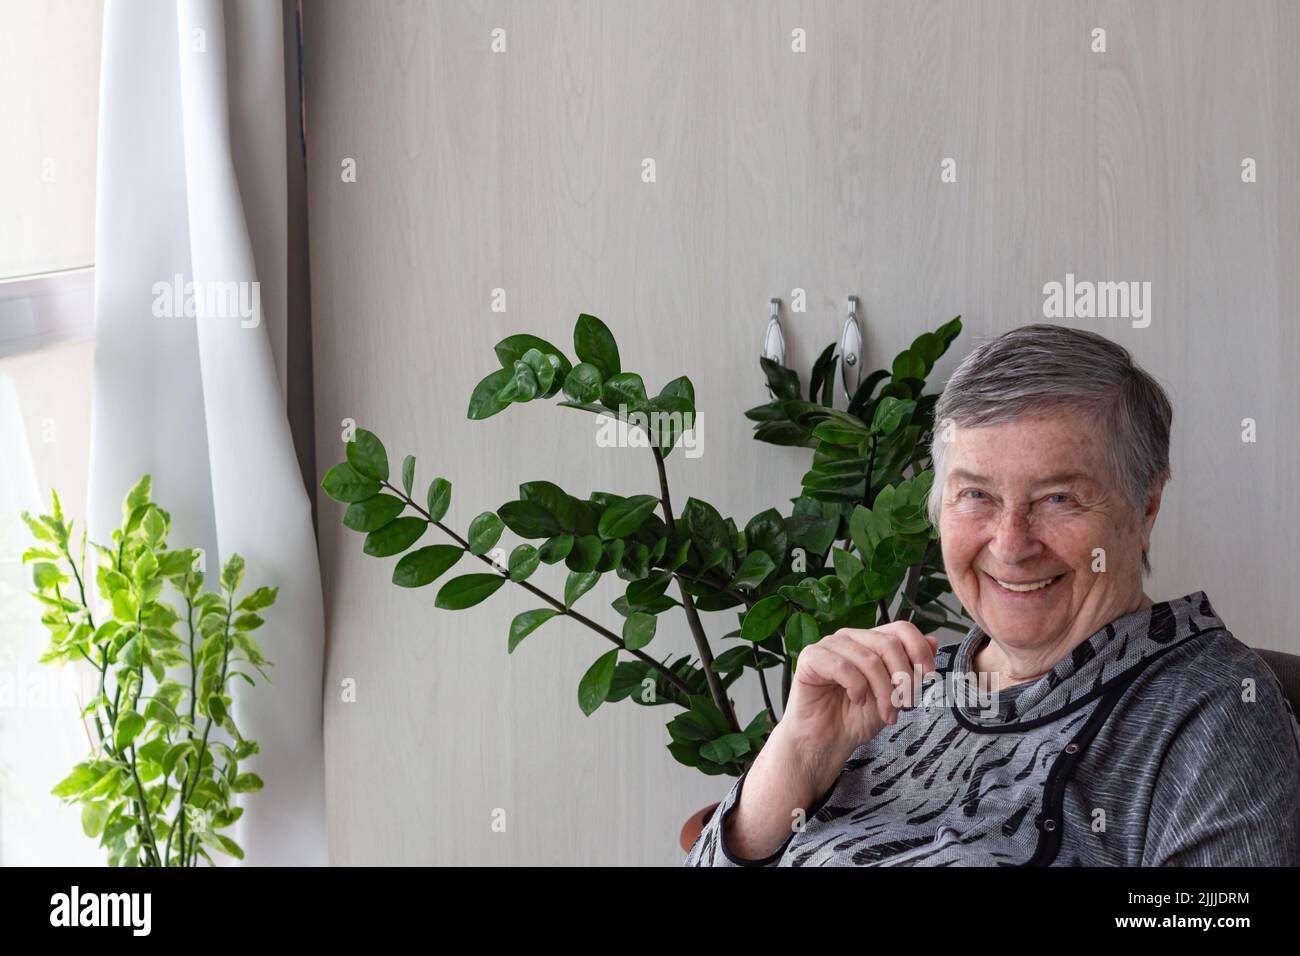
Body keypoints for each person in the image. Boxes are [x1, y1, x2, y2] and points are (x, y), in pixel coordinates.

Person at [685, 323, 1300, 866]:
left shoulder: (1214, 709)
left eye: (1059, 498)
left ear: (1146, 506)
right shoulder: (893, 690)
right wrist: (796, 757)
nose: (1010, 545)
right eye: (976, 495)